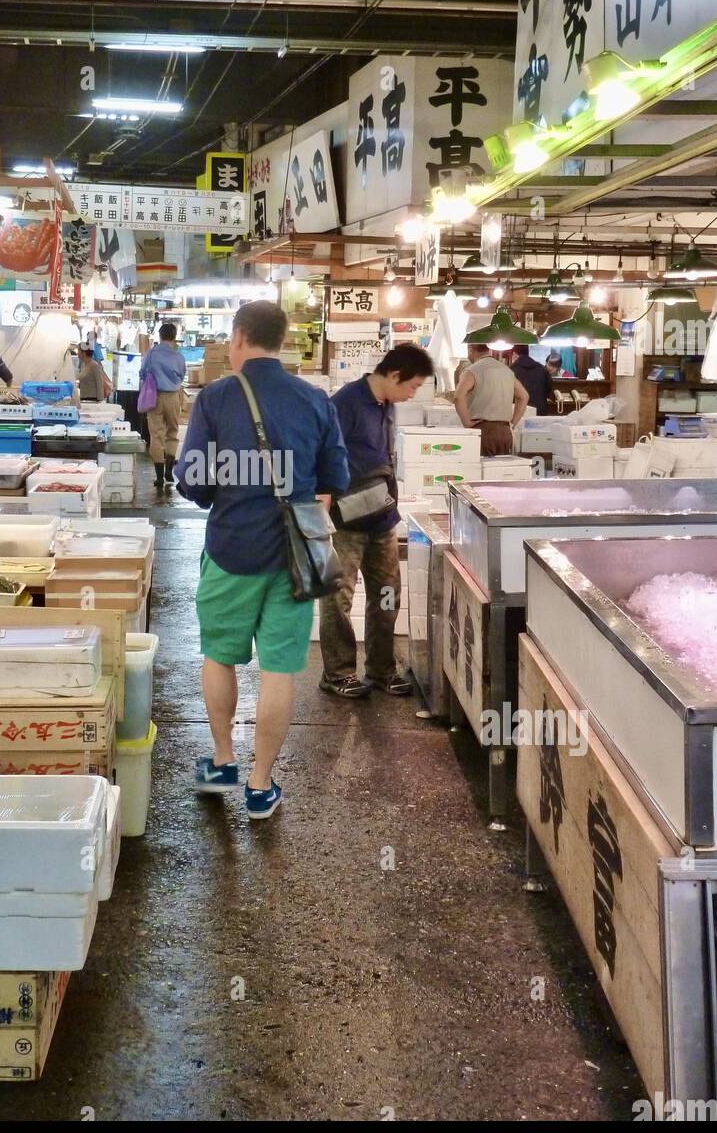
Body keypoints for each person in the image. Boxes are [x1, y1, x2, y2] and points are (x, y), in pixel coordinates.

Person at [175, 300, 349, 821]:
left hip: (231, 549)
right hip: (296, 558)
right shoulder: (315, 399)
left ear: (239, 337)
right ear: (281, 341)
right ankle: (260, 784)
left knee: (219, 656)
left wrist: (222, 498)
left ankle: (224, 760)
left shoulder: (216, 398)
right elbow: (333, 481)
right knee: (279, 670)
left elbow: (192, 479)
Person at [319, 344, 435, 699]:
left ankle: (381, 669)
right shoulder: (346, 403)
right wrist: (320, 512)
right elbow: (322, 456)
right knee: (338, 598)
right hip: (346, 521)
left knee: (386, 595)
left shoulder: (388, 405)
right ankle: (337, 673)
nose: (412, 394)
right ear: (394, 375)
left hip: (382, 518)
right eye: (412, 386)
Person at [455, 343, 529, 457]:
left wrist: (466, 422)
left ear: (470, 349)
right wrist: (513, 423)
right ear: (488, 349)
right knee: (502, 472)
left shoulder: (471, 370)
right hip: (505, 432)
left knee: (481, 471)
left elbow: (458, 397)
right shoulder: (507, 370)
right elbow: (524, 396)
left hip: (482, 431)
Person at [140, 321, 187, 490]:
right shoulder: (179, 356)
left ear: (159, 336)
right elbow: (182, 375)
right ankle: (169, 470)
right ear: (175, 338)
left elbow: (142, 372)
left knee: (156, 434)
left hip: (155, 397)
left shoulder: (151, 354)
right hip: (173, 396)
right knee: (172, 432)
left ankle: (159, 477)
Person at [511, 344, 551, 416]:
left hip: (520, 413)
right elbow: (548, 392)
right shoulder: (542, 369)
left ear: (514, 354)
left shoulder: (511, 370)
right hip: (540, 413)